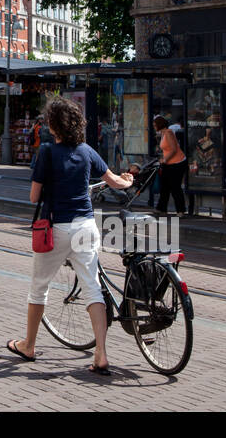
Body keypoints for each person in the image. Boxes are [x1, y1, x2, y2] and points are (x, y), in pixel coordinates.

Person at [7, 97, 133, 374]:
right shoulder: (87, 151)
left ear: (53, 125)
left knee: (39, 287)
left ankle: (28, 345)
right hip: (86, 226)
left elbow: (33, 197)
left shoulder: (48, 153)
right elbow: (115, 182)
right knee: (92, 287)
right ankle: (100, 353)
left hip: (57, 227)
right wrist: (129, 180)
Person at [154, 114, 189, 216]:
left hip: (177, 162)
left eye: (155, 124)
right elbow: (167, 148)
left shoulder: (169, 133)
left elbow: (174, 149)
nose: (154, 126)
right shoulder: (163, 133)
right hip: (169, 163)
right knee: (164, 186)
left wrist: (165, 160)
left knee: (175, 186)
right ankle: (161, 208)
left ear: (160, 124)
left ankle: (180, 210)